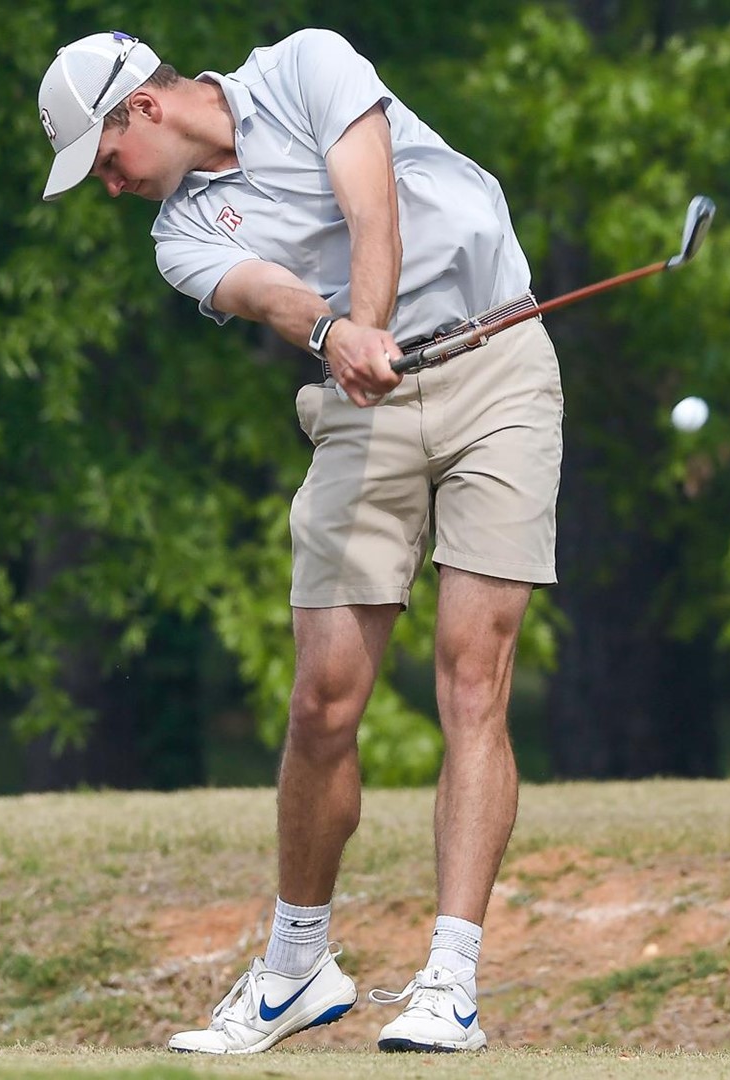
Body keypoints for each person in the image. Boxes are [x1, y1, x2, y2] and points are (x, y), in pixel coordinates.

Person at [35, 28, 563, 1055]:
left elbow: (374, 204)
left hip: (497, 359)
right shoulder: (175, 236)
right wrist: (338, 339)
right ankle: (297, 965)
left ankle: (450, 979)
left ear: (140, 107)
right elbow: (269, 295)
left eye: (104, 160)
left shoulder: (306, 65)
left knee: (472, 679)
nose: (109, 186)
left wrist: (365, 322)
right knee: (323, 694)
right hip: (365, 402)